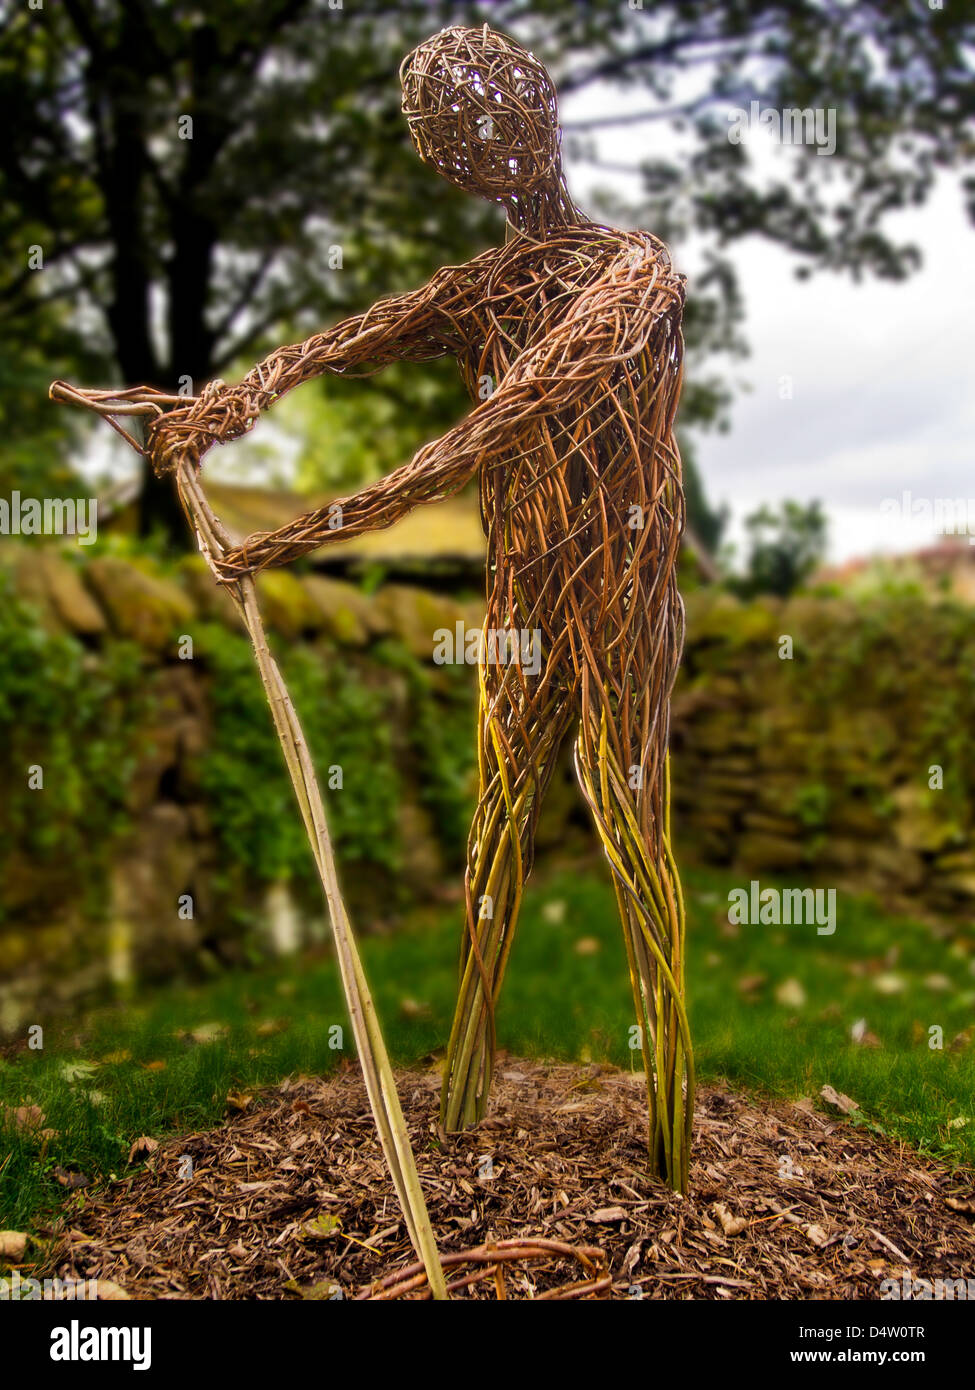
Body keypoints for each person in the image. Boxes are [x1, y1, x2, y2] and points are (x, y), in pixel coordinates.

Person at [147, 23, 693, 1191]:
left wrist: (313, 526)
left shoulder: (634, 272)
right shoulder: (481, 287)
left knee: (627, 822)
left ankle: (671, 1138)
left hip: (619, 601)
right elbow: (347, 342)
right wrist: (226, 402)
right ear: (443, 160)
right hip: (519, 602)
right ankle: (460, 1097)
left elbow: (517, 414)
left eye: (498, 109)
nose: (485, 137)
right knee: (492, 833)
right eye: (456, 130)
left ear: (542, 107)